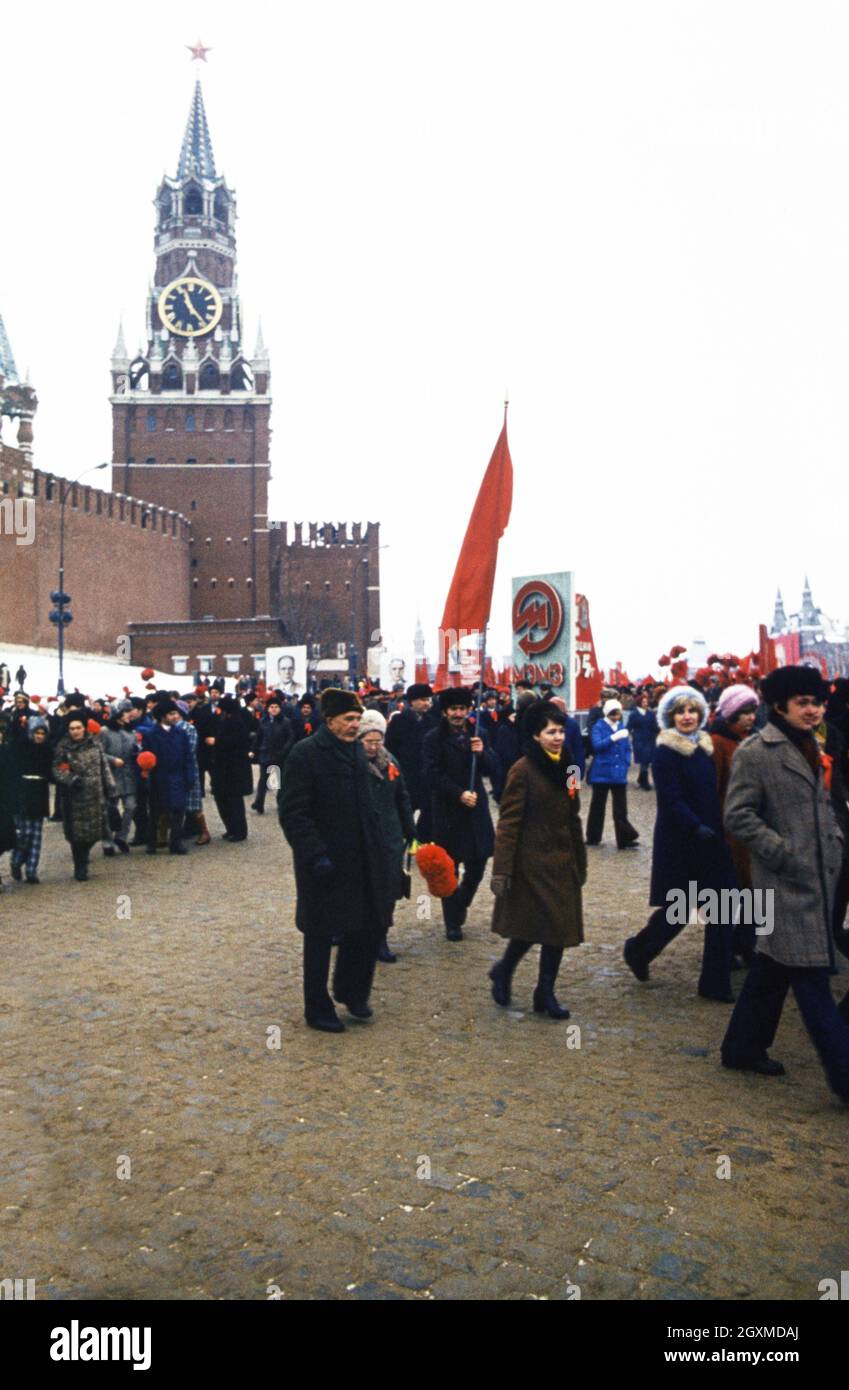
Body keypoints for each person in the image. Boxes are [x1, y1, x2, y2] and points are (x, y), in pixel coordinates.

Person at [720, 666, 849, 1098]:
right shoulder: (757, 751)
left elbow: (822, 804)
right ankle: (845, 1077)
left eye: (817, 703)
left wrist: (834, 839)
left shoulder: (812, 744)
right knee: (813, 986)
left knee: (772, 971)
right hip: (784, 886)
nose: (813, 711)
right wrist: (782, 852)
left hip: (818, 880)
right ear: (779, 705)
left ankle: (742, 1046)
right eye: (803, 703)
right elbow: (738, 815)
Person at [278, 688, 392, 1033]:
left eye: (358, 719)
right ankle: (317, 1007)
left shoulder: (356, 752)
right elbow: (293, 812)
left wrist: (383, 847)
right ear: (329, 721)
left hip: (361, 859)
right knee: (320, 935)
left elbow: (367, 804)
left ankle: (352, 992)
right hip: (323, 863)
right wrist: (314, 853)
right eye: (348, 719)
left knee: (367, 926)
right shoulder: (305, 754)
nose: (354, 725)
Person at [623, 686, 736, 1001]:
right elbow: (670, 799)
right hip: (683, 840)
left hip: (712, 837)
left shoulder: (705, 746)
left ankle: (714, 982)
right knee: (681, 908)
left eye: (692, 711)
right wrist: (695, 825)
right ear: (670, 717)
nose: (687, 717)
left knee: (724, 906)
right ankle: (639, 950)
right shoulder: (665, 752)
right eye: (680, 712)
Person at [489, 702, 586, 1018]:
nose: (558, 738)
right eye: (550, 732)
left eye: (560, 731)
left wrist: (580, 858)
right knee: (537, 927)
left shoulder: (570, 767)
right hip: (531, 862)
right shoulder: (522, 770)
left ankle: (543, 992)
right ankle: (505, 970)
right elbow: (508, 823)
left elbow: (574, 813)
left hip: (562, 861)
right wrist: (502, 870)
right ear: (535, 735)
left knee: (557, 929)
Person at [422, 687, 495, 941]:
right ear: (445, 711)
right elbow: (431, 774)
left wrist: (482, 752)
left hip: (476, 810)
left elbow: (494, 767)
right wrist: (457, 793)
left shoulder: (479, 733)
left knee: (478, 864)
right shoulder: (433, 738)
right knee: (449, 868)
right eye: (454, 709)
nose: (458, 714)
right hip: (448, 811)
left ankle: (462, 901)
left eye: (463, 709)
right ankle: (452, 921)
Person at [358, 709, 416, 963]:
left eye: (377, 741)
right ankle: (355, 933)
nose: (373, 746)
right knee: (363, 890)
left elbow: (402, 795)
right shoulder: (351, 763)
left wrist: (410, 829)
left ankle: (380, 938)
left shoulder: (390, 761)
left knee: (389, 890)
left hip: (390, 836)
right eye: (368, 741)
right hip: (362, 837)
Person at [709, 684, 759, 965]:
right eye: (744, 713)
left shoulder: (750, 741)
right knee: (731, 895)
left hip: (750, 833)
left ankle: (747, 943)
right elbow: (714, 789)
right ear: (730, 714)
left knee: (754, 892)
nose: (750, 717)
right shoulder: (718, 743)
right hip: (729, 834)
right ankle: (728, 948)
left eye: (753, 711)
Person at [52, 714, 117, 881]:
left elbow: (104, 767)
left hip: (96, 795)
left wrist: (110, 787)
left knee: (94, 832)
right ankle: (80, 865)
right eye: (72, 728)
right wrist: (71, 779)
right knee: (77, 836)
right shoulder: (63, 747)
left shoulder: (95, 744)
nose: (75, 731)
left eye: (78, 728)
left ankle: (84, 856)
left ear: (84, 728)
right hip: (74, 798)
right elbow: (57, 769)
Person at [141, 701, 194, 855]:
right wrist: (148, 778)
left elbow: (188, 756)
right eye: (171, 714)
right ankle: (152, 842)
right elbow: (146, 757)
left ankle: (176, 842)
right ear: (162, 716)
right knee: (156, 812)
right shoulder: (151, 735)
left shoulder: (181, 733)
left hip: (178, 777)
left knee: (178, 812)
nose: (175, 716)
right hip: (159, 777)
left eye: (175, 713)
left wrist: (189, 776)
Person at [585, 699, 639, 848]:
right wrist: (613, 737)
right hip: (601, 771)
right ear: (607, 714)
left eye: (618, 714)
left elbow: (627, 748)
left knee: (621, 809)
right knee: (597, 807)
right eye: (613, 714)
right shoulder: (598, 726)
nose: (617, 717)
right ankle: (593, 837)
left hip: (618, 773)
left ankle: (624, 838)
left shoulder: (621, 727)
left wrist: (626, 762)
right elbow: (597, 746)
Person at [384, 683, 437, 829]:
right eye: (422, 699)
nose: (426, 703)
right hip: (407, 775)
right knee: (405, 814)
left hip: (427, 777)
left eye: (428, 699)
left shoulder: (433, 722)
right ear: (412, 701)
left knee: (428, 816)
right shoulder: (399, 721)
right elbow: (390, 748)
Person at [9, 719, 52, 883]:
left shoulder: (48, 750)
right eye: (37, 733)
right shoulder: (21, 748)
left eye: (42, 733)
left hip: (40, 792)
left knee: (36, 835)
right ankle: (16, 861)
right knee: (24, 834)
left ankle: (31, 870)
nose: (40, 736)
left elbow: (51, 771)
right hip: (24, 792)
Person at [210, 695, 253, 841]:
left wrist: (216, 741)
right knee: (225, 800)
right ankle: (231, 829)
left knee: (233, 802)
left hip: (233, 769)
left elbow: (235, 743)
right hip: (224, 768)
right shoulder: (227, 720)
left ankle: (239, 831)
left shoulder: (237, 722)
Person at [99, 701, 139, 855]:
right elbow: (99, 752)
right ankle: (107, 842)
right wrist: (112, 760)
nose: (131, 714)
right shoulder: (105, 731)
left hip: (128, 776)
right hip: (111, 775)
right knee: (109, 810)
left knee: (131, 806)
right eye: (127, 711)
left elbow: (134, 750)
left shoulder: (132, 732)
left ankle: (121, 836)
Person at [252, 697, 295, 814]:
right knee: (263, 780)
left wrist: (285, 750)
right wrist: (253, 750)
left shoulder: (286, 722)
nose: (274, 709)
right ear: (268, 709)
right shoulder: (263, 721)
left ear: (280, 709)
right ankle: (259, 803)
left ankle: (282, 804)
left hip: (279, 755)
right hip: (265, 754)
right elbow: (258, 737)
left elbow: (290, 738)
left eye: (276, 707)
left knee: (278, 782)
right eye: (272, 707)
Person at [627, 690, 659, 790]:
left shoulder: (651, 713)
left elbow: (655, 726)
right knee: (644, 761)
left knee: (651, 760)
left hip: (651, 739)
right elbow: (629, 726)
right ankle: (644, 782)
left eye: (646, 702)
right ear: (639, 703)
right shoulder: (634, 714)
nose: (645, 703)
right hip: (639, 740)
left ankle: (642, 779)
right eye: (643, 702)